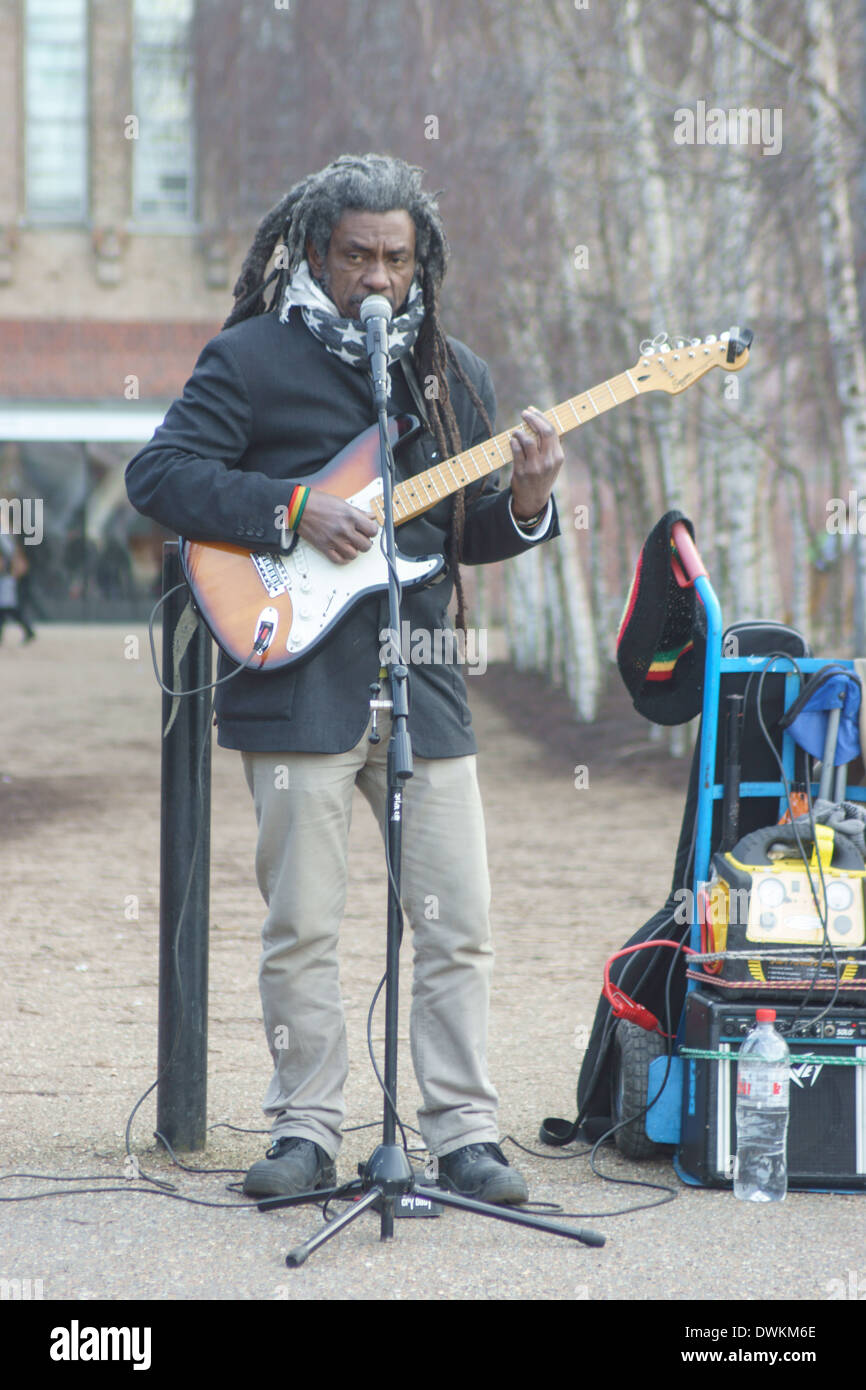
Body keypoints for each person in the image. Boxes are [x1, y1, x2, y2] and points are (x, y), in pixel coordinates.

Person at [126, 153, 564, 1205]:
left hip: (423, 689)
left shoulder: (451, 375)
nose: (378, 278)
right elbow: (159, 474)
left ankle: (464, 1134)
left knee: (456, 917)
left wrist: (528, 503)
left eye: (397, 260)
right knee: (303, 926)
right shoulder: (250, 359)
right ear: (316, 254)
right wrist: (289, 511)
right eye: (358, 256)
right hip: (292, 684)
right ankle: (307, 1130)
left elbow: (460, 531)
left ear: (421, 266)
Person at [0, 532, 36, 644]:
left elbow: (8, 557)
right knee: (6, 607)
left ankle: (28, 631)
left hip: (6, 576)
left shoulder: (4, 538)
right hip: (6, 575)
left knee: (6, 607)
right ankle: (28, 631)